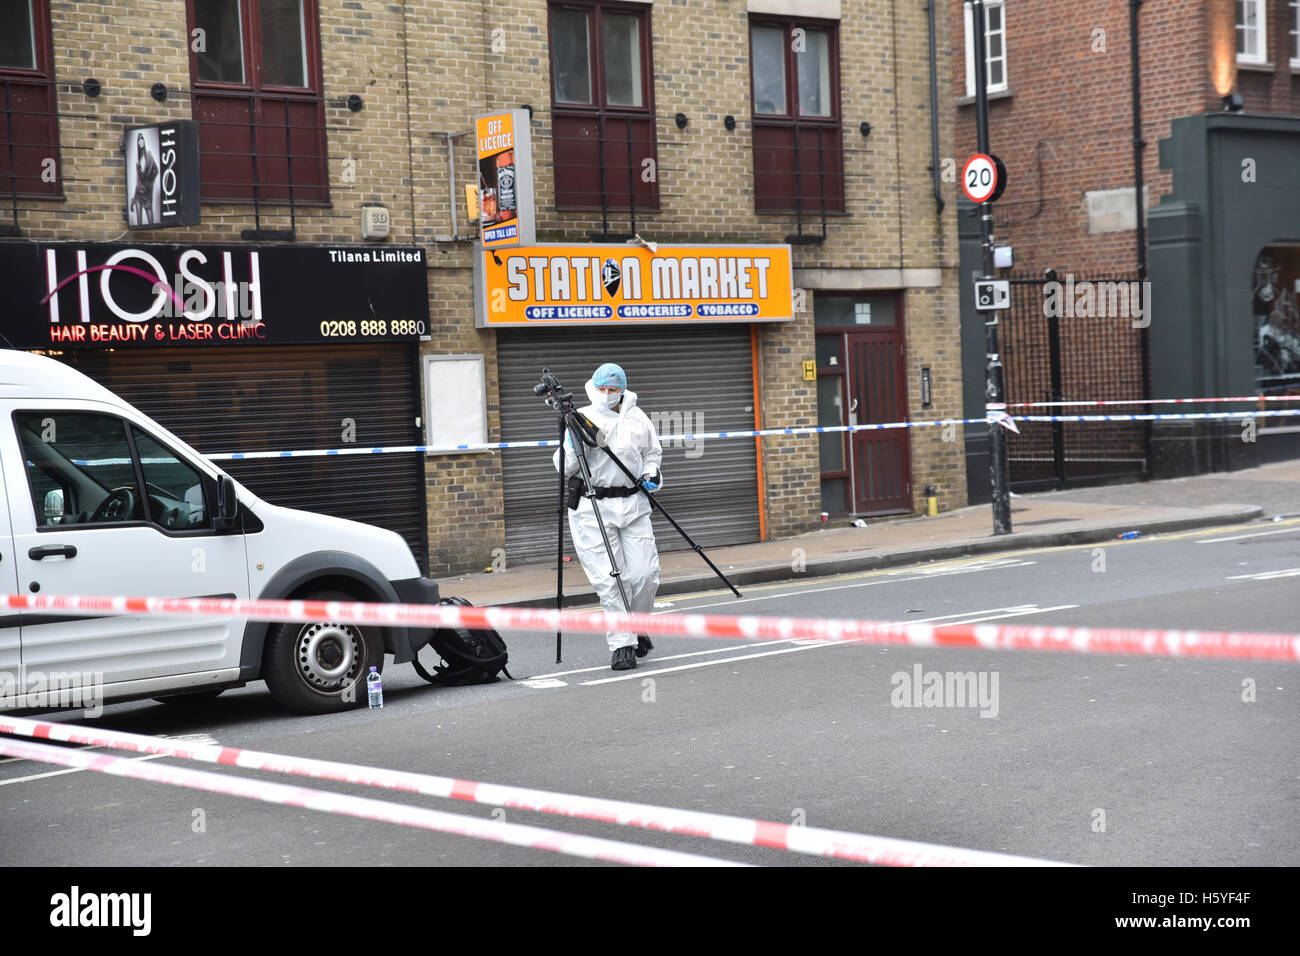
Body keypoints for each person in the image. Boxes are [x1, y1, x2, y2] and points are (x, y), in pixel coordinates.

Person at [553, 363, 663, 670]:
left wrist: (652, 473)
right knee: (610, 579)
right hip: (592, 508)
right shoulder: (582, 417)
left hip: (633, 504)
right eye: (601, 389)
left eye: (612, 390)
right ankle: (622, 645)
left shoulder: (638, 418)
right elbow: (566, 468)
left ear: (622, 390)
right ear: (593, 387)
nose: (606, 395)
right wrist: (574, 443)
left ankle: (638, 627)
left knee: (645, 574)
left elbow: (652, 454)